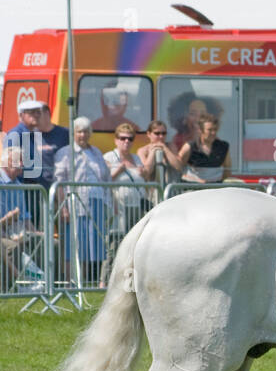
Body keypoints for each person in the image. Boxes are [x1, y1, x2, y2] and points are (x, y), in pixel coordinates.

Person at [53, 117, 111, 287]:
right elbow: (59, 182)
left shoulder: (96, 152)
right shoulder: (65, 153)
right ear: (74, 133)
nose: (83, 135)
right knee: (74, 243)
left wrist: (110, 202)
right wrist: (63, 207)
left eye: (86, 131)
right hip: (75, 203)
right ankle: (70, 282)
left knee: (90, 244)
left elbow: (106, 178)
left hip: (97, 201)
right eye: (79, 131)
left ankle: (82, 281)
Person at [102, 122, 148, 286]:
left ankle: (129, 281)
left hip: (136, 206)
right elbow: (104, 181)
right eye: (122, 138)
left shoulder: (136, 158)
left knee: (134, 246)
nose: (126, 142)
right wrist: (117, 171)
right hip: (118, 207)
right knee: (115, 244)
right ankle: (105, 282)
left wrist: (144, 173)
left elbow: (145, 181)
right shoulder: (109, 157)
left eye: (129, 139)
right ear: (116, 140)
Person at [0, 145, 40, 290]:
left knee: (49, 242)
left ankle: (48, 285)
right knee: (13, 246)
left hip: (18, 232)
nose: (23, 165)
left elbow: (26, 218)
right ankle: (15, 288)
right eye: (19, 161)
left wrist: (37, 233)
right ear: (7, 162)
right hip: (4, 235)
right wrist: (8, 220)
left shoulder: (18, 185)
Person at [179, 115, 231, 182]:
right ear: (200, 130)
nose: (213, 133)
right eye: (210, 130)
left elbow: (227, 170)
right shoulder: (189, 147)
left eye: (215, 129)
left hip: (215, 188)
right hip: (192, 188)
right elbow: (179, 169)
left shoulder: (223, 147)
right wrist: (197, 180)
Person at [137, 119, 186, 189]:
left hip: (171, 191)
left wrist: (165, 149)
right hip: (153, 193)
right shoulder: (143, 150)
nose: (161, 136)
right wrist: (153, 151)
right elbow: (147, 173)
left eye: (164, 133)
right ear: (149, 134)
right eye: (157, 133)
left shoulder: (171, 147)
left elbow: (179, 167)